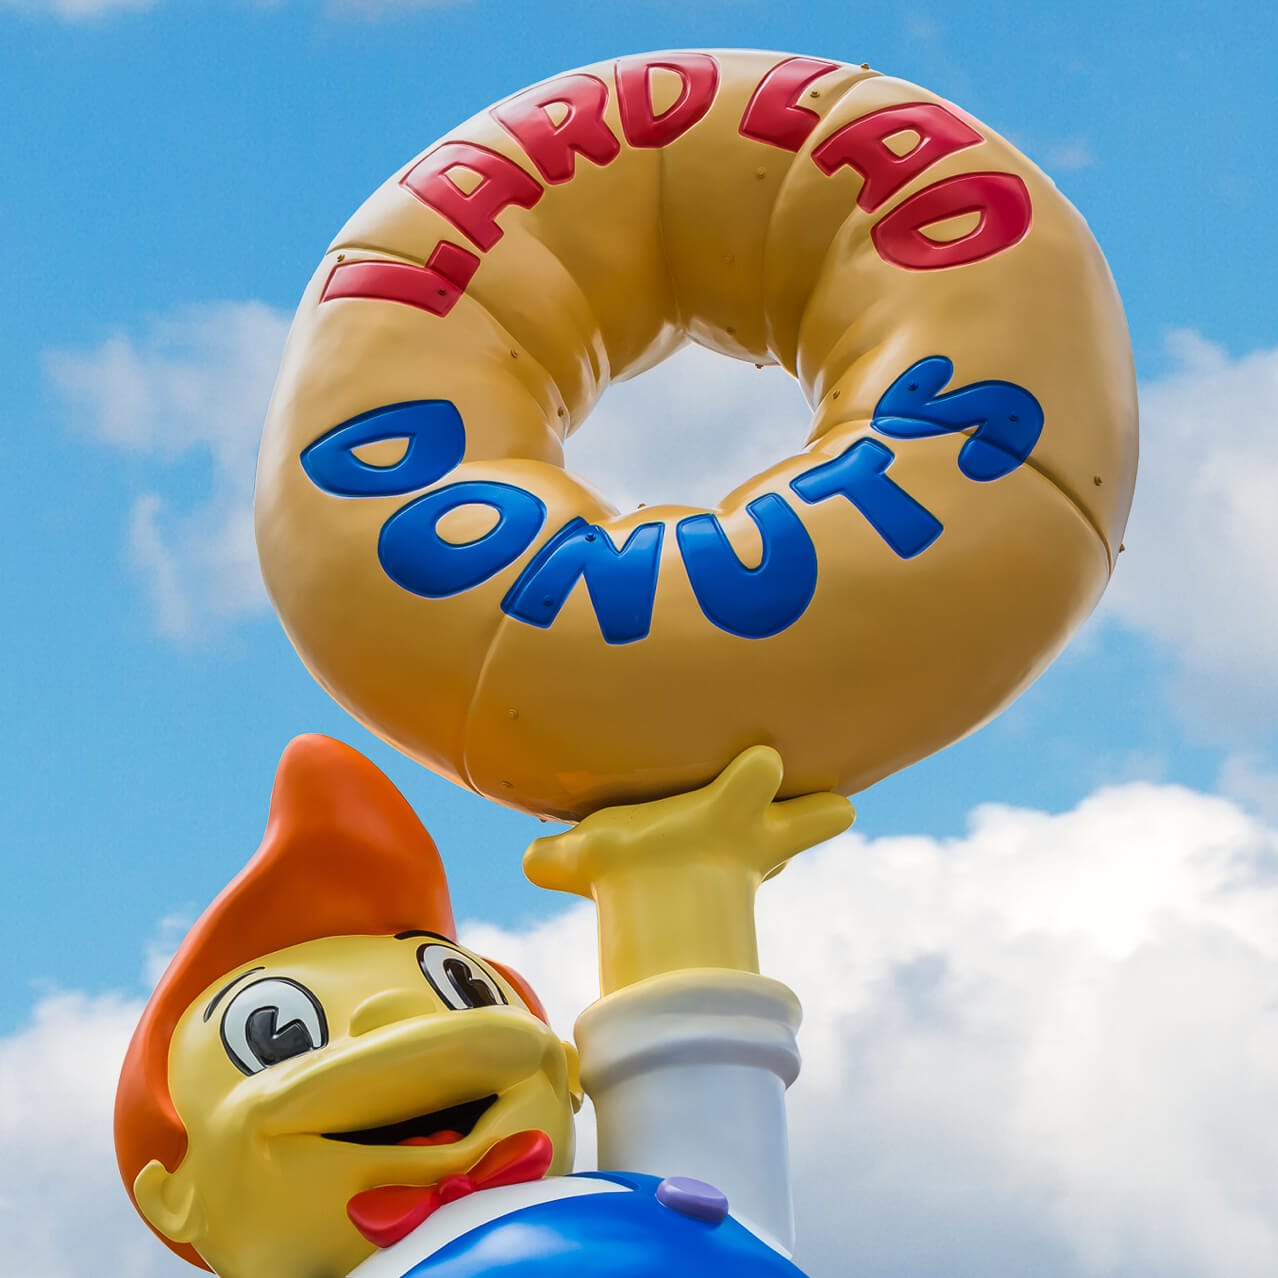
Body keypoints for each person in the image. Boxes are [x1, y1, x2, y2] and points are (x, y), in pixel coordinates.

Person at [115, 735, 851, 1276]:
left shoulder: (635, 1204)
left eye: (460, 987)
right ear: (177, 1199)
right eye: (276, 1032)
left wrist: (678, 879)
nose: (394, 1023)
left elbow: (700, 1093)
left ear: (568, 1073)